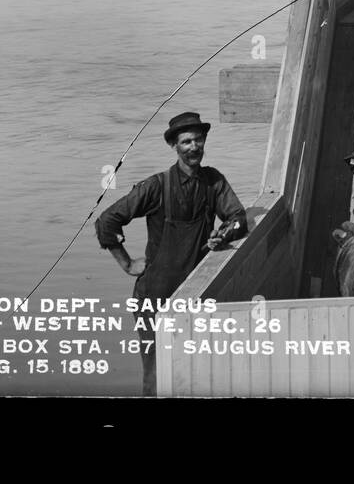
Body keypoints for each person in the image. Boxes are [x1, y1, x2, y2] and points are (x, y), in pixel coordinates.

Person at [96, 111, 248, 395]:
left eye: (198, 140)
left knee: (197, 372)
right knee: (156, 376)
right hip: (154, 299)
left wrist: (221, 234)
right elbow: (107, 220)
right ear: (174, 146)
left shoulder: (213, 182)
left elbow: (238, 218)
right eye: (187, 141)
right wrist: (127, 264)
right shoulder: (155, 186)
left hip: (196, 293)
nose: (194, 147)